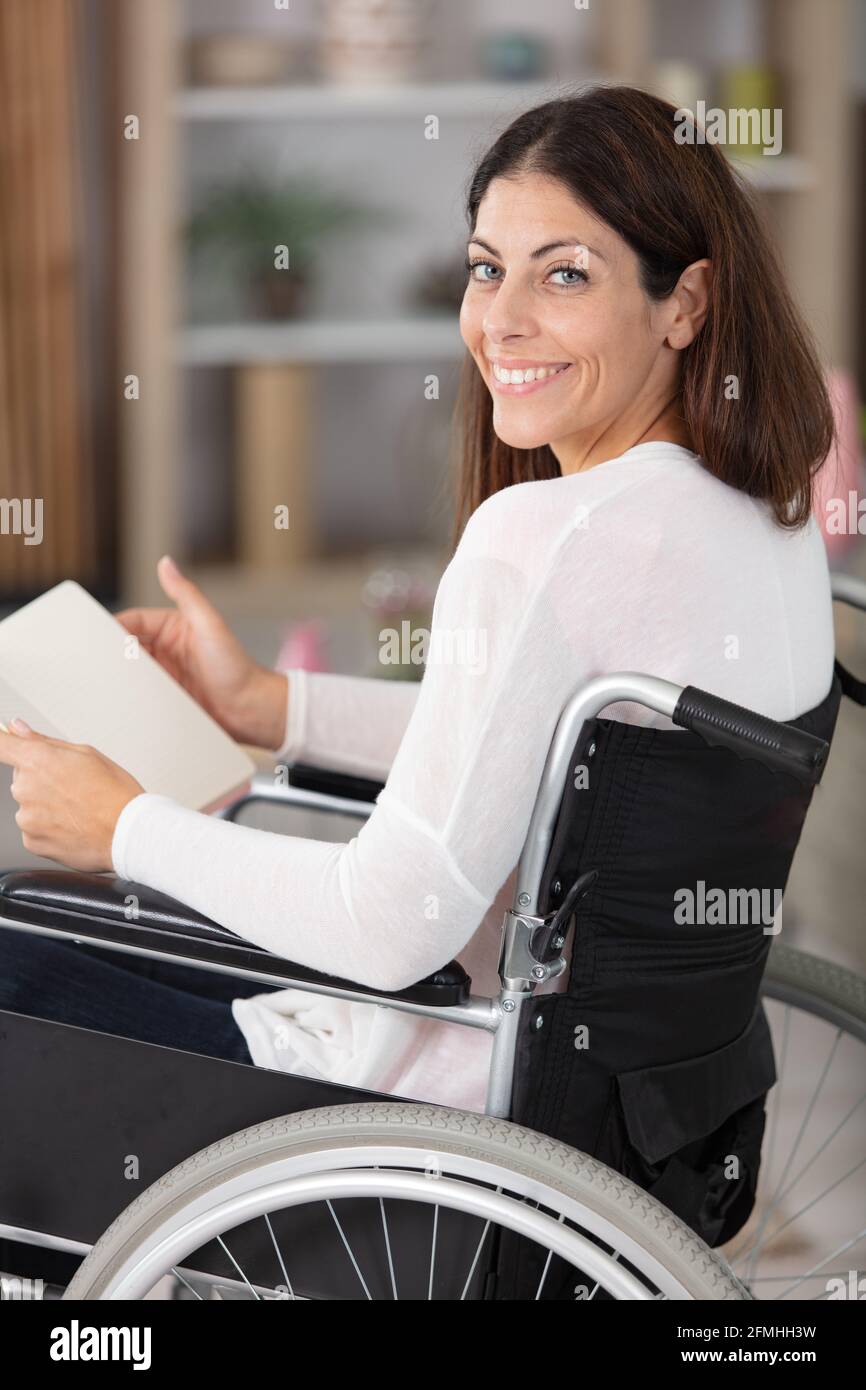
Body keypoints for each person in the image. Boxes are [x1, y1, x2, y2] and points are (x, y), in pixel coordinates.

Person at [0, 86, 835, 1112]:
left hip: (429, 1110)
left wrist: (122, 825)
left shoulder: (541, 537)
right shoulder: (763, 513)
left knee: (23, 945)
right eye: (486, 270)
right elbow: (554, 744)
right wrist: (272, 705)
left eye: (563, 275)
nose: (500, 322)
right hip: (632, 1106)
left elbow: (392, 922)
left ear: (685, 302)